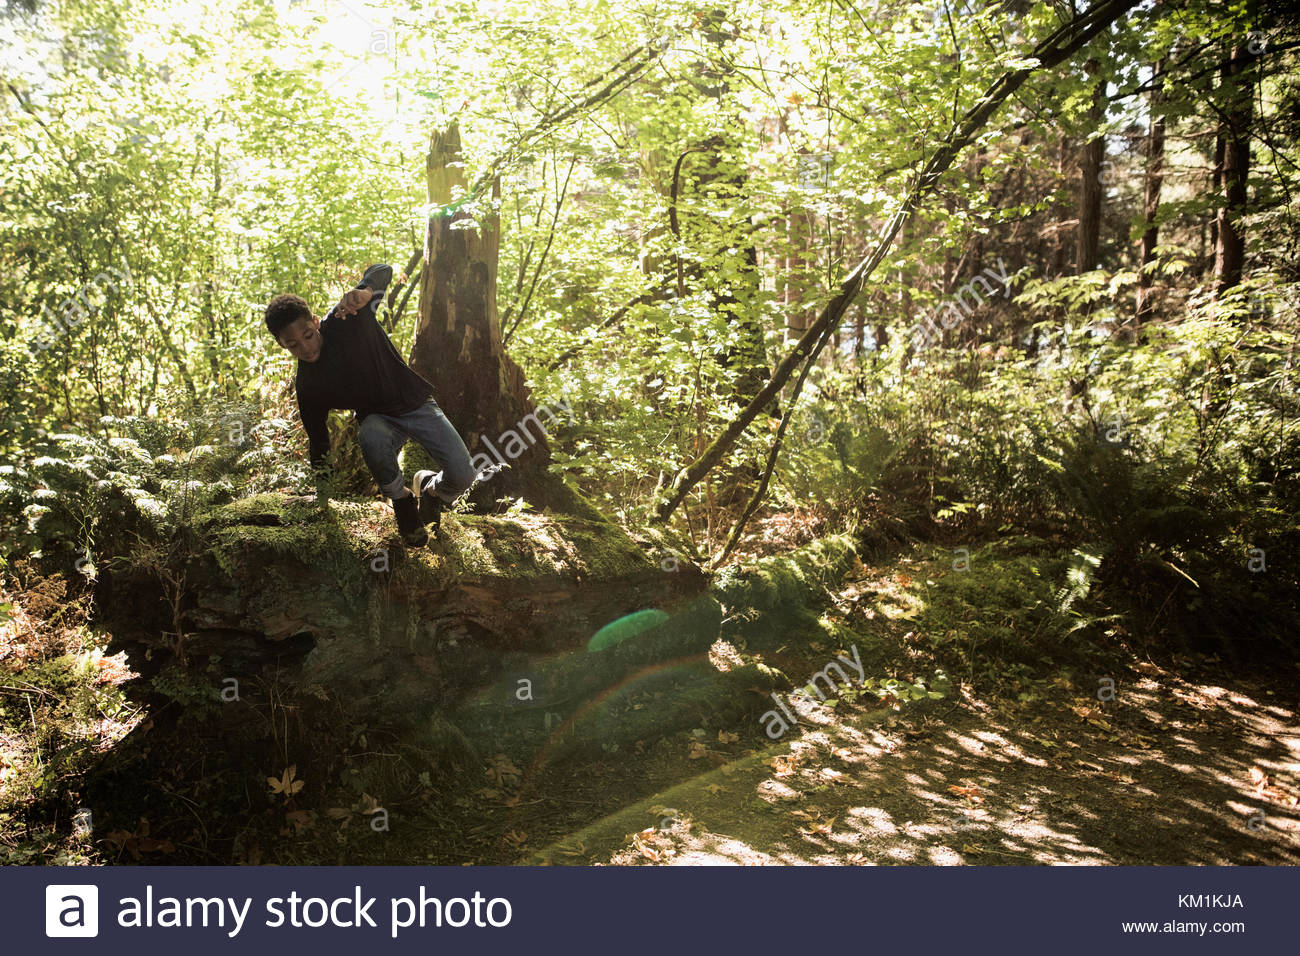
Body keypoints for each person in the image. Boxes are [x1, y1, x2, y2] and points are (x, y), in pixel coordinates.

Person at [263, 263, 478, 546]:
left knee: (464, 474)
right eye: (293, 345)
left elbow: (383, 270)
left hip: (415, 402)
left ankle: (430, 490)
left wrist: (364, 291)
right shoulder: (308, 386)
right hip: (379, 420)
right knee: (370, 435)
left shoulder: (347, 319)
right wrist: (323, 498)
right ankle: (401, 501)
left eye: (308, 336)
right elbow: (319, 442)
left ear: (315, 322)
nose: (306, 348)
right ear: (282, 345)